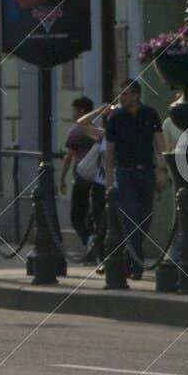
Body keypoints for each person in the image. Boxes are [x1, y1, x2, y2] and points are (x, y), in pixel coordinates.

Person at [102, 79, 166, 280]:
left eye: (125, 94)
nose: (121, 97)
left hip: (146, 171)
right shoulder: (115, 118)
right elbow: (110, 152)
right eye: (121, 94)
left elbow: (159, 145)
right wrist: (109, 179)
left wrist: (162, 170)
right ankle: (136, 264)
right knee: (130, 217)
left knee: (146, 217)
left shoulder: (150, 114)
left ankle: (131, 254)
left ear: (136, 95)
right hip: (125, 172)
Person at [62, 96, 110, 261]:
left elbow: (69, 157)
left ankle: (90, 243)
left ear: (82, 111)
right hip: (98, 179)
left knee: (77, 216)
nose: (73, 113)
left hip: (83, 177)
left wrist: (62, 178)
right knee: (93, 215)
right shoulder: (97, 131)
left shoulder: (76, 131)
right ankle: (96, 247)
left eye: (75, 109)